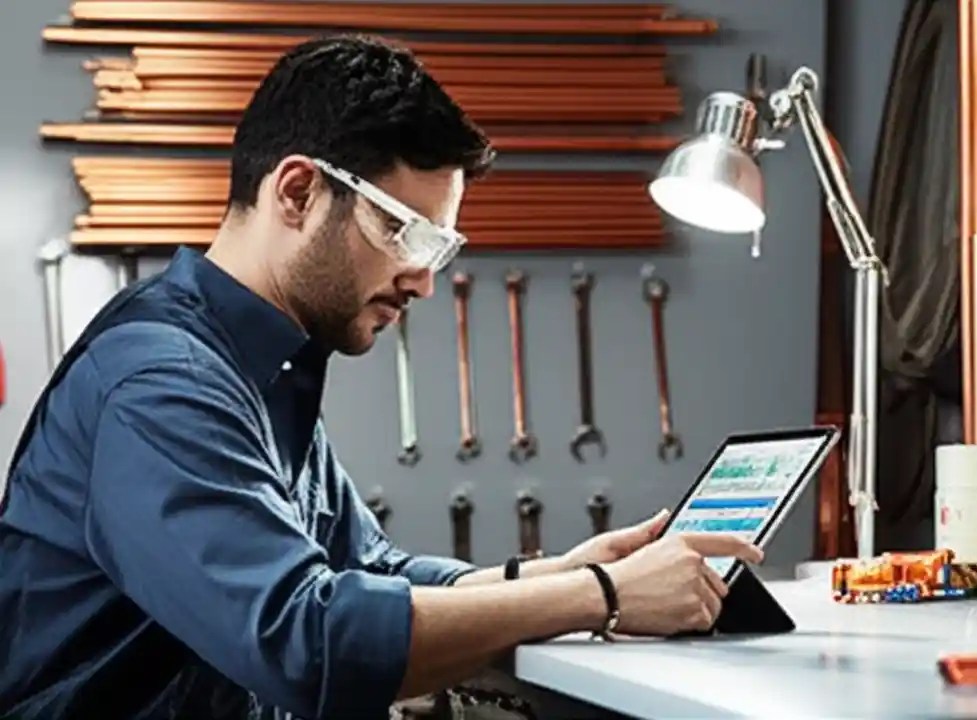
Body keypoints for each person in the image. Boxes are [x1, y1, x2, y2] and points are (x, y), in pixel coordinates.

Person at [0, 34, 763, 720]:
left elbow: (371, 569)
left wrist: (541, 576)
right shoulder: (162, 381)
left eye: (439, 248)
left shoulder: (263, 370)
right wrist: (598, 599)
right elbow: (306, 643)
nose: (423, 280)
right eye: (404, 231)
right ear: (297, 192)